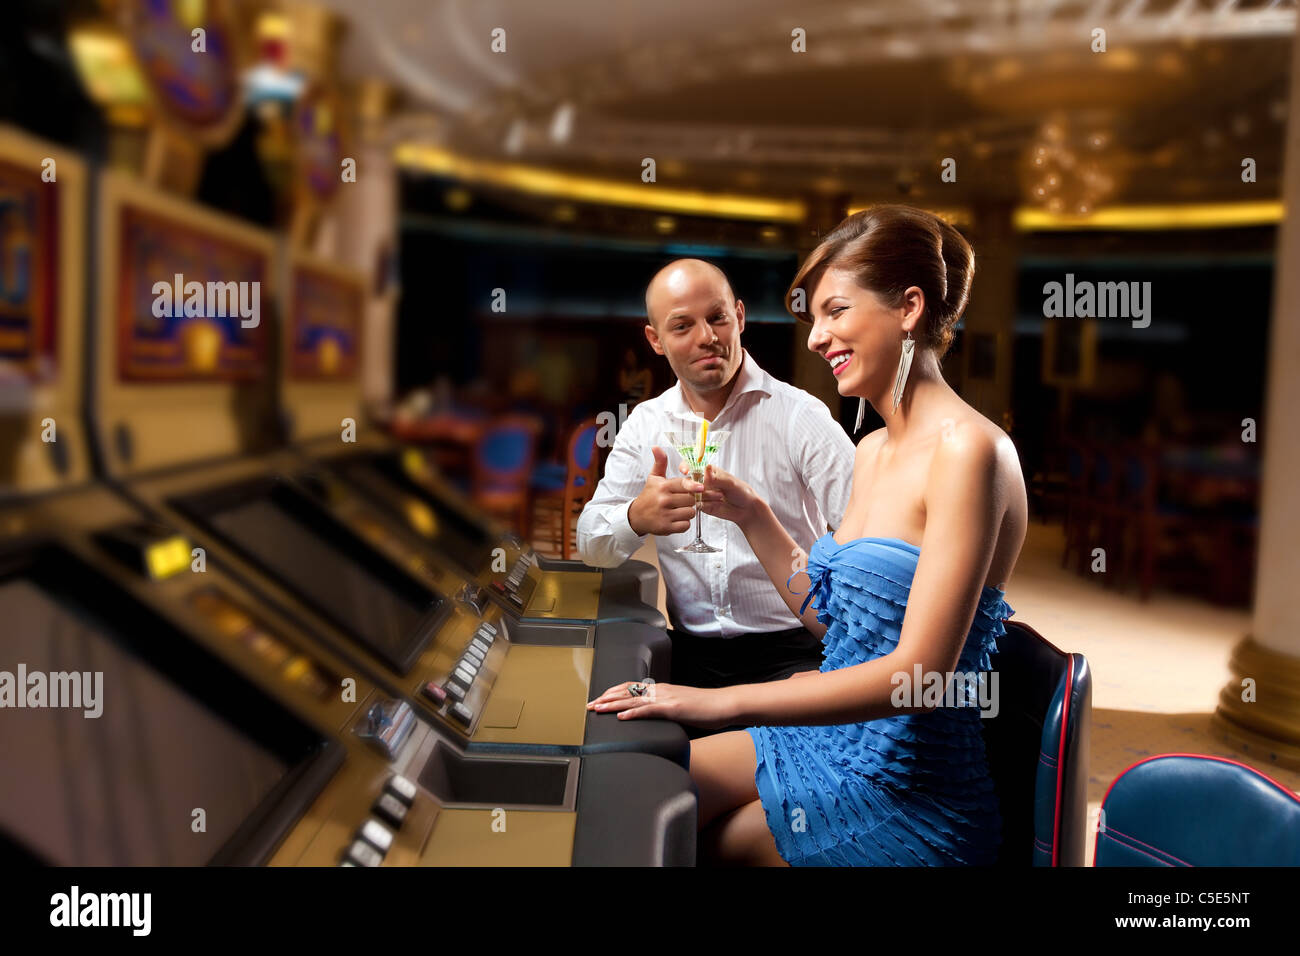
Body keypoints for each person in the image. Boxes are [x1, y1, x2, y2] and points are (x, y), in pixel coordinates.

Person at [587, 206, 1028, 866]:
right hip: (838, 740)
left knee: (691, 844)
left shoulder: (971, 452)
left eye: (836, 312)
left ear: (909, 308)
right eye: (814, 318)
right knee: (638, 795)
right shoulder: (875, 449)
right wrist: (755, 517)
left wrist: (715, 701)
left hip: (909, 782)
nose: (818, 337)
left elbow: (920, 675)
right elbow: (836, 625)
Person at [577, 259, 855, 704]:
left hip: (794, 653)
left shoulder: (802, 417)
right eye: (682, 326)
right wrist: (634, 518)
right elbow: (590, 545)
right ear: (656, 341)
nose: (707, 336)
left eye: (717, 318)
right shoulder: (645, 424)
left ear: (739, 318)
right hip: (689, 654)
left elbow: (870, 545)